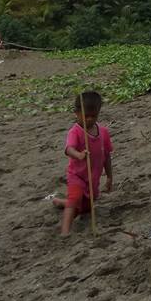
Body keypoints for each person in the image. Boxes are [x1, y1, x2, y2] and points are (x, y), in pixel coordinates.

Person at [53, 91, 113, 236]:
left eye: (94, 116)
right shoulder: (75, 131)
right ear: (76, 113)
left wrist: (109, 176)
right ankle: (65, 232)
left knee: (85, 208)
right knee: (75, 199)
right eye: (86, 116)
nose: (90, 119)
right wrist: (79, 155)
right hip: (77, 176)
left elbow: (106, 156)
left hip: (92, 179)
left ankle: (62, 202)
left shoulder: (103, 132)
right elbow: (69, 149)